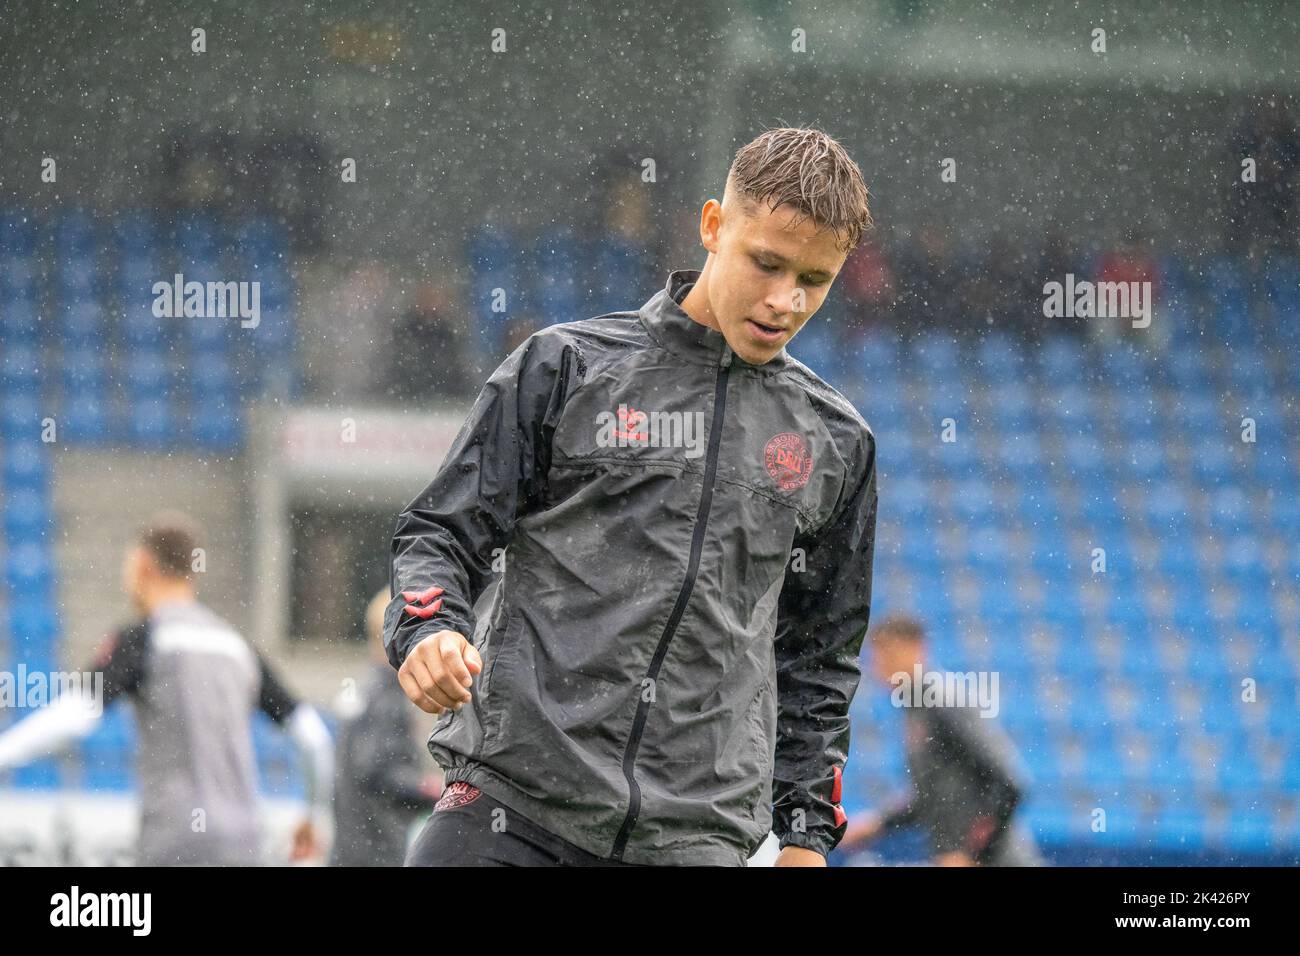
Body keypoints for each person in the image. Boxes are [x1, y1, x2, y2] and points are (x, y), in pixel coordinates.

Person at [386, 126, 879, 867]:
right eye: (767, 263)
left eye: (814, 279)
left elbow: (820, 658)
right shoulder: (566, 368)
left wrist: (805, 836)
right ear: (713, 225)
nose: (785, 300)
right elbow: (438, 533)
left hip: (695, 841)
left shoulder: (838, 442)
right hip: (511, 810)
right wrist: (428, 628)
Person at [0, 511, 334, 866]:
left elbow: (76, 714)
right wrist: (312, 816)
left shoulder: (146, 637)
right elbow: (314, 739)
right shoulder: (238, 646)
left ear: (143, 565)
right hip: (244, 841)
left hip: (176, 840)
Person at [839, 614, 1045, 866]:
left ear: (917, 649)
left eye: (887, 655)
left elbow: (1010, 783)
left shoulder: (942, 700)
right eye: (877, 657)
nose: (879, 666)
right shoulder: (916, 707)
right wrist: (880, 822)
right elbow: (934, 795)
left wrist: (974, 852)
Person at [330, 589, 442, 866]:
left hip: (350, 845)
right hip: (378, 847)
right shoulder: (387, 697)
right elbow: (379, 769)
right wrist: (435, 791)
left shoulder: (363, 691)